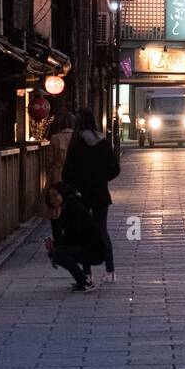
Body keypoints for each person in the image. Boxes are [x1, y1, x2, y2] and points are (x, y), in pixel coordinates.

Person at [61, 108, 120, 281]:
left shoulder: (77, 143)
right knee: (102, 231)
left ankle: (87, 273)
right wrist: (102, 179)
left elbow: (67, 173)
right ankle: (111, 271)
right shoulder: (103, 141)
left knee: (84, 232)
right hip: (101, 193)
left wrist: (75, 185)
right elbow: (115, 169)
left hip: (82, 195)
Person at [43, 183, 107, 293]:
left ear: (62, 193)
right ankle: (82, 280)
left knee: (58, 253)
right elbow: (61, 237)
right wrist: (53, 247)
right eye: (50, 197)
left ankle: (86, 282)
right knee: (56, 253)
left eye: (55, 195)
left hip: (95, 250)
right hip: (84, 246)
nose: (53, 199)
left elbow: (71, 234)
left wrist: (56, 250)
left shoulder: (73, 207)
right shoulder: (62, 209)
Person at [48, 110, 75, 178]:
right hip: (74, 173)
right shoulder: (77, 138)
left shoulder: (55, 138)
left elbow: (50, 160)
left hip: (58, 174)